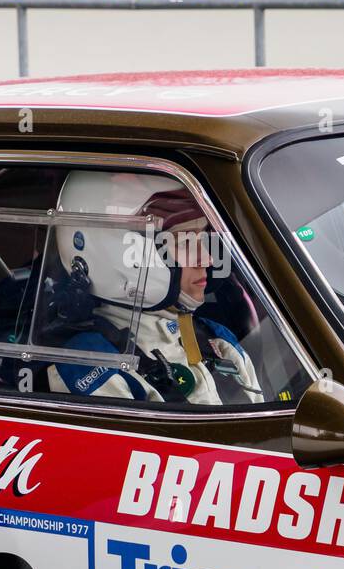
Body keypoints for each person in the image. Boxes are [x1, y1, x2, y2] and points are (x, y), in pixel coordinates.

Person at [46, 171, 262, 405]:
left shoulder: (218, 342)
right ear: (118, 256)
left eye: (203, 239)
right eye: (186, 242)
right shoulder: (92, 363)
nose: (207, 259)